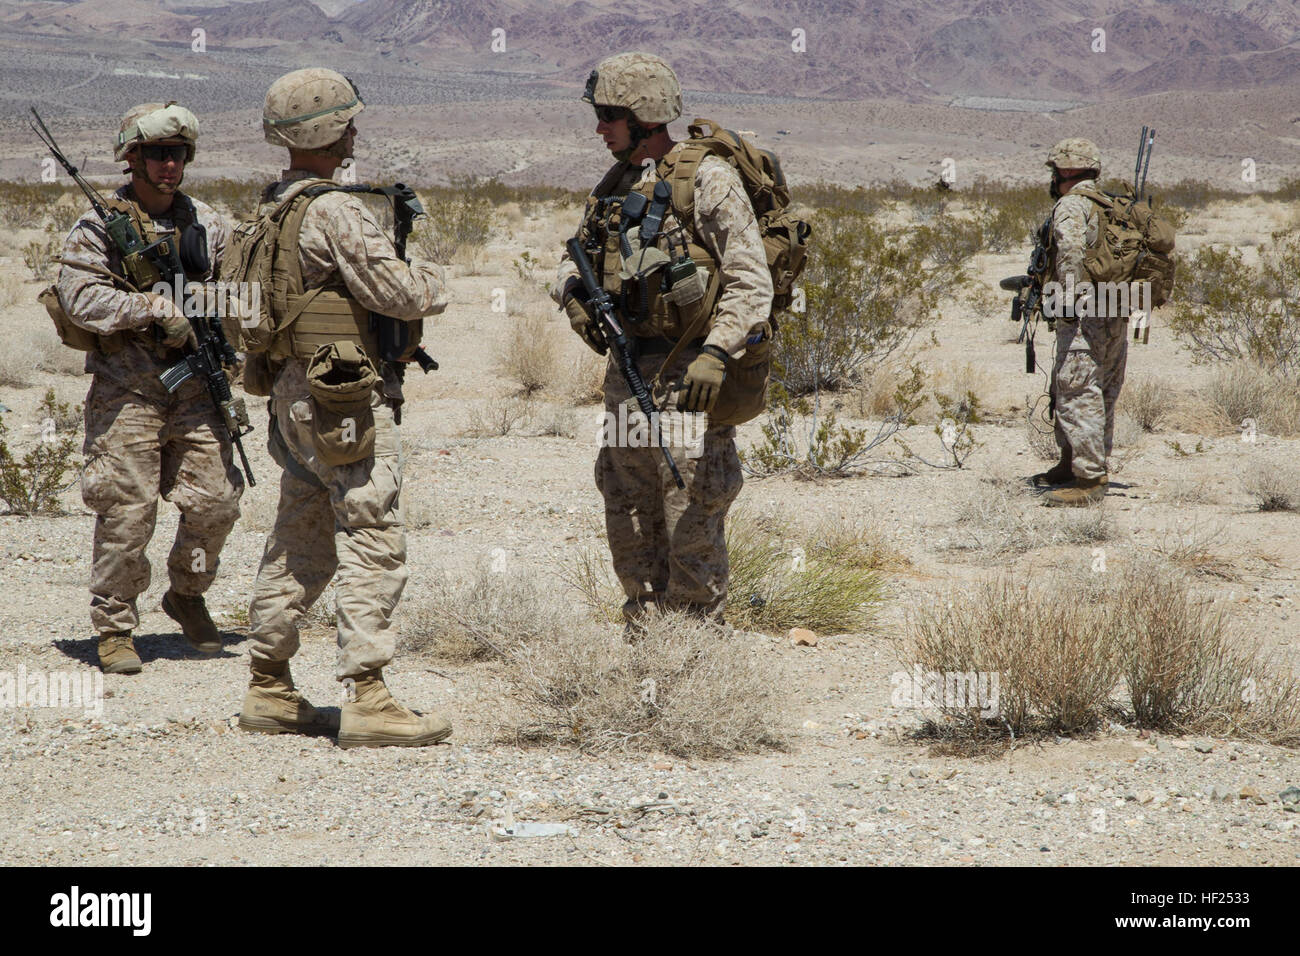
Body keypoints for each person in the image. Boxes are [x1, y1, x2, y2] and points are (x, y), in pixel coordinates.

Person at [239, 68, 452, 747]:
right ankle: (369, 698)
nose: (355, 129)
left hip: (292, 401)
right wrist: (433, 259)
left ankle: (269, 686)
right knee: (371, 534)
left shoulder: (269, 208)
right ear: (326, 131)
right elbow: (401, 294)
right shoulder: (331, 209)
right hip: (343, 402)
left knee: (299, 539)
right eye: (346, 120)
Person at [552, 52, 773, 628]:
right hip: (628, 378)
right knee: (626, 505)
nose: (599, 128)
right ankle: (646, 632)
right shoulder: (614, 184)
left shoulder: (708, 180)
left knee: (689, 508)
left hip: (689, 380)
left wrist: (718, 353)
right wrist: (573, 296)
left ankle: (695, 649)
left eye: (608, 115)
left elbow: (751, 282)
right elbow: (571, 260)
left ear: (644, 116)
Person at [54, 102, 242, 674]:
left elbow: (243, 296)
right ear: (131, 157)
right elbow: (78, 299)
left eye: (178, 154)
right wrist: (150, 307)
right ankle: (114, 625)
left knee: (218, 501)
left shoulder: (210, 224)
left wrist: (199, 309)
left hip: (196, 387)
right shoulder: (97, 225)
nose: (169, 164)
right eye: (158, 153)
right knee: (125, 511)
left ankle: (186, 594)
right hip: (127, 391)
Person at [1037, 137, 1128, 507]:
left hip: (1084, 312)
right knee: (1101, 388)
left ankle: (1090, 479)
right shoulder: (1109, 204)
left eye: (1057, 170)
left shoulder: (1073, 205)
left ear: (1068, 170)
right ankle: (1072, 461)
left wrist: (1069, 303)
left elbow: (1071, 252)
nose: (1054, 177)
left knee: (1076, 389)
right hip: (1116, 307)